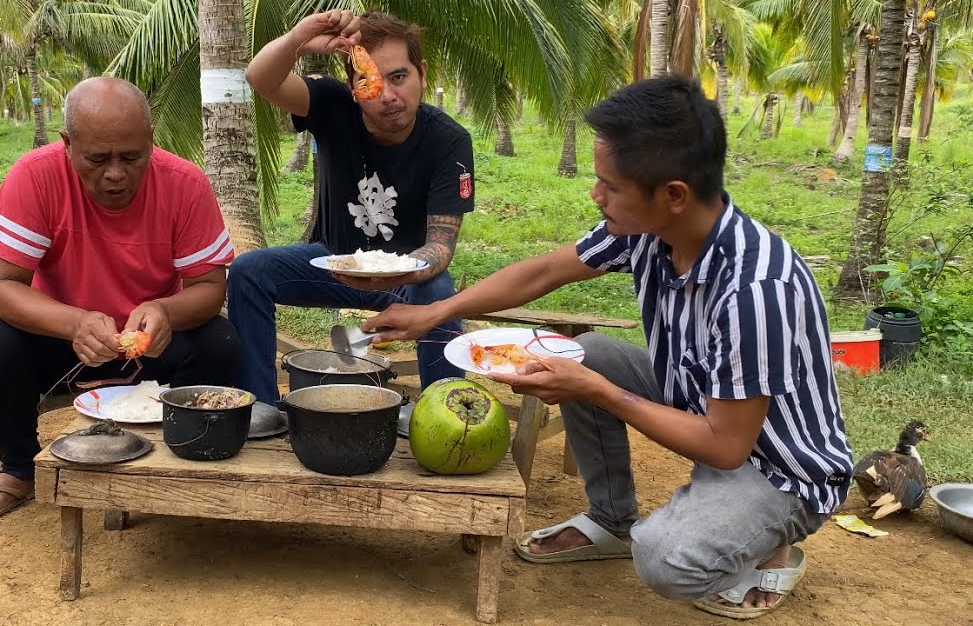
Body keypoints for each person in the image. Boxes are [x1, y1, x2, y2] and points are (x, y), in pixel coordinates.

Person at [364, 76, 853, 620]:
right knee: (587, 351)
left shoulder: (755, 291)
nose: (596, 196)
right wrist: (434, 312)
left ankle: (773, 541)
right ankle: (609, 520)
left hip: (778, 463)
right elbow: (546, 270)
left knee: (667, 559)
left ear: (673, 195)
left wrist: (597, 392)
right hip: (701, 401)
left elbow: (726, 448)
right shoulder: (647, 231)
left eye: (610, 186)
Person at [0, 77, 240, 524]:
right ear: (68, 144)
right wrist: (72, 323)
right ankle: (18, 467)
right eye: (96, 159)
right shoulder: (35, 176)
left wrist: (165, 310)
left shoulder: (185, 183)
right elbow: (0, 285)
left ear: (151, 141)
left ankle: (175, 462)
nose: (115, 174)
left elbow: (210, 288)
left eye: (132, 157)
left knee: (220, 339)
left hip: (151, 346)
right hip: (61, 343)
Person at [228, 10, 475, 404]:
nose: (389, 96)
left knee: (439, 290)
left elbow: (441, 245)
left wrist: (398, 271)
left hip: (405, 277)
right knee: (247, 271)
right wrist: (297, 39)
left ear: (422, 73)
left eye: (399, 77)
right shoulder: (332, 104)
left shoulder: (448, 141)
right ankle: (261, 407)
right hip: (332, 263)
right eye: (371, 83)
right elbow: (260, 78)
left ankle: (443, 409)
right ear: (353, 86)